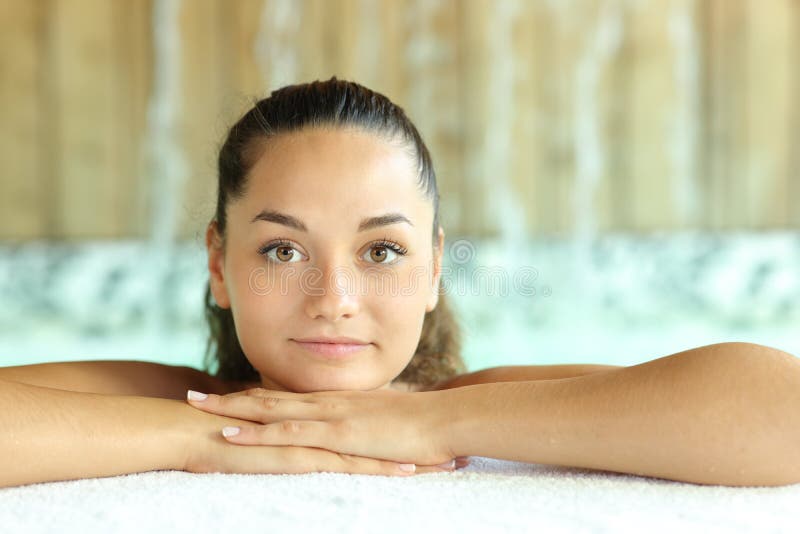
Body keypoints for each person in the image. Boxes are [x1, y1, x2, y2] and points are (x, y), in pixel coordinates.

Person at [2, 78, 799, 489]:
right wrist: (211, 437)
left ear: (435, 270)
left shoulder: (467, 405)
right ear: (218, 263)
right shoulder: (178, 400)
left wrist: (433, 426)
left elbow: (782, 411)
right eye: (283, 250)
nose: (334, 298)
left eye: (381, 252)